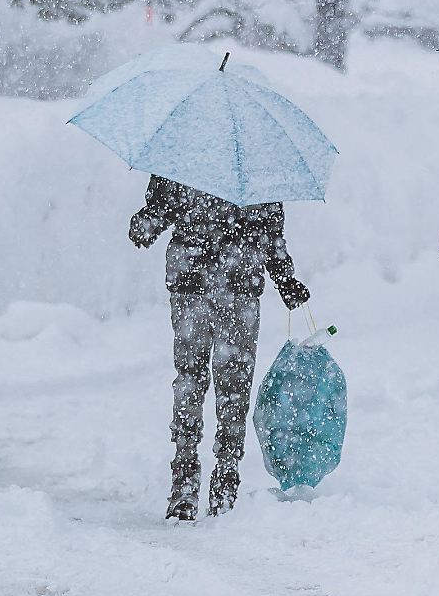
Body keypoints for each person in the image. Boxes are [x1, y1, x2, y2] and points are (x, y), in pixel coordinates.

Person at [129, 174, 310, 521]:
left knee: (190, 378)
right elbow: (269, 230)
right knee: (234, 385)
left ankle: (184, 483)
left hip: (192, 279)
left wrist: (146, 223)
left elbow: (162, 208)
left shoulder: (185, 154)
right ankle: (226, 483)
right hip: (239, 281)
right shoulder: (260, 161)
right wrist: (283, 277)